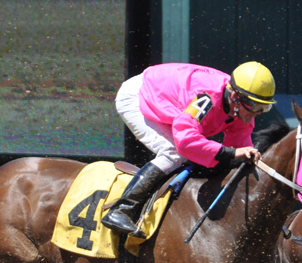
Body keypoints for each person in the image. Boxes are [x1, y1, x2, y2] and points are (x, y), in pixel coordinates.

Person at [101, 61, 275, 236]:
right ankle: (122, 209)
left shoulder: (240, 108)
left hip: (169, 99)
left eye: (264, 108)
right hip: (139, 96)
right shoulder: (206, 97)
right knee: (174, 152)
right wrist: (233, 153)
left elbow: (239, 149)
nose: (257, 113)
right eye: (255, 107)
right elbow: (186, 142)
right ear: (235, 97)